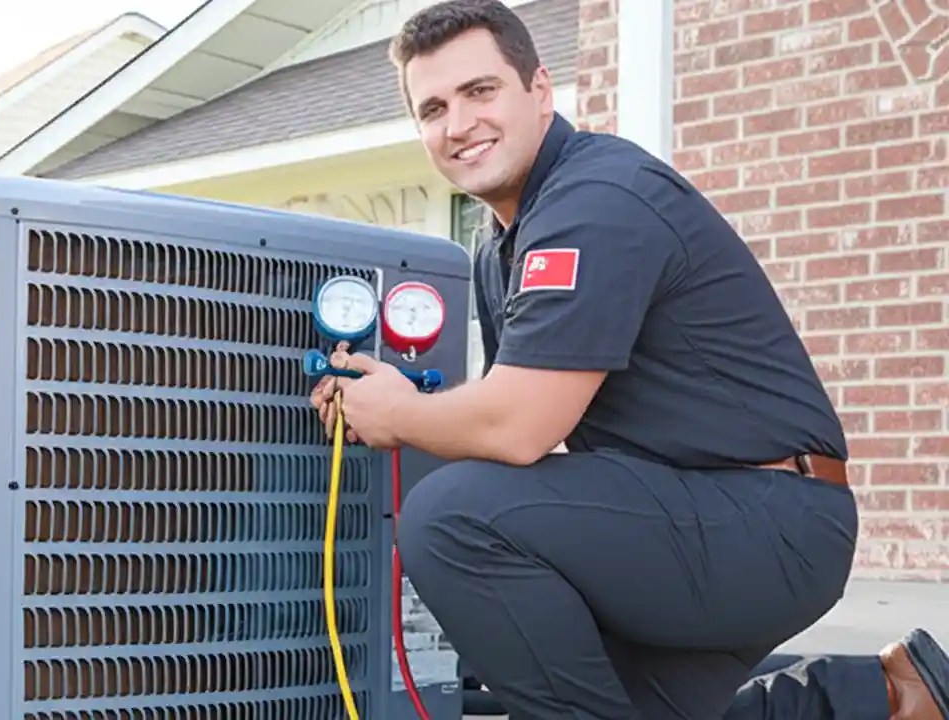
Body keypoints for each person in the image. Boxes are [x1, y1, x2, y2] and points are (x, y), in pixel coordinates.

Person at [307, 1, 949, 718]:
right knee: (621, 698)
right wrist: (405, 405)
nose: (458, 124)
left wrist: (400, 415)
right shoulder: (501, 248)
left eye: (480, 91)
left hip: (762, 520)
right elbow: (523, 429)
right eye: (433, 108)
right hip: (680, 515)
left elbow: (517, 429)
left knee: (453, 519)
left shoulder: (594, 201)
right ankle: (891, 699)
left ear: (540, 90)